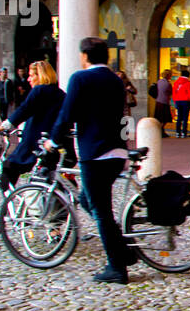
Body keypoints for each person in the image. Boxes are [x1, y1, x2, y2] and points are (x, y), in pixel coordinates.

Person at [46, 37, 134, 285]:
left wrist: (53, 141)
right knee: (88, 200)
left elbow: (67, 113)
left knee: (101, 211)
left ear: (84, 55)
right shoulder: (116, 80)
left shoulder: (80, 78)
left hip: (95, 152)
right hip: (117, 150)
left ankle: (117, 267)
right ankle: (123, 251)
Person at [0, 60, 65, 189]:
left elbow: (24, 110)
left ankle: (7, 206)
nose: (28, 79)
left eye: (32, 75)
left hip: (33, 143)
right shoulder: (60, 94)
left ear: (41, 75)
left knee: (8, 169)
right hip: (50, 143)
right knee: (46, 180)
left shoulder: (39, 90)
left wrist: (4, 126)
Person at [171, 67, 190, 139]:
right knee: (185, 118)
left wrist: (175, 101)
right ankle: (184, 132)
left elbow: (174, 93)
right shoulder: (187, 83)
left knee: (179, 117)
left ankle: (178, 132)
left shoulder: (176, 83)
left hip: (178, 101)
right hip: (186, 101)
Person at [153, 69, 173, 137]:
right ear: (168, 76)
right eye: (170, 75)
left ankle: (160, 130)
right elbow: (170, 92)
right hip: (165, 102)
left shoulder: (159, 81)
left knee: (159, 118)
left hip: (158, 101)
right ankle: (161, 130)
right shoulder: (168, 84)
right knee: (165, 118)